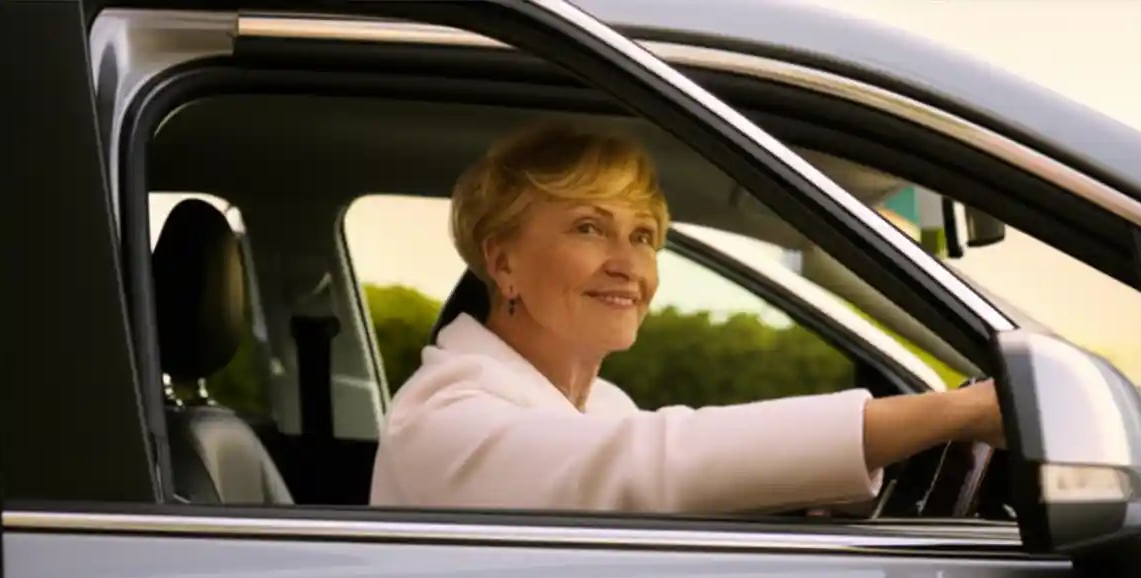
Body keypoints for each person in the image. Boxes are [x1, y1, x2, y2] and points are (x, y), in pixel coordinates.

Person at [370, 121, 1003, 513]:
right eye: (589, 228)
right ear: (503, 262)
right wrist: (953, 412)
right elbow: (657, 464)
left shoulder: (602, 405)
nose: (628, 264)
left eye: (643, 236)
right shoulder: (445, 418)